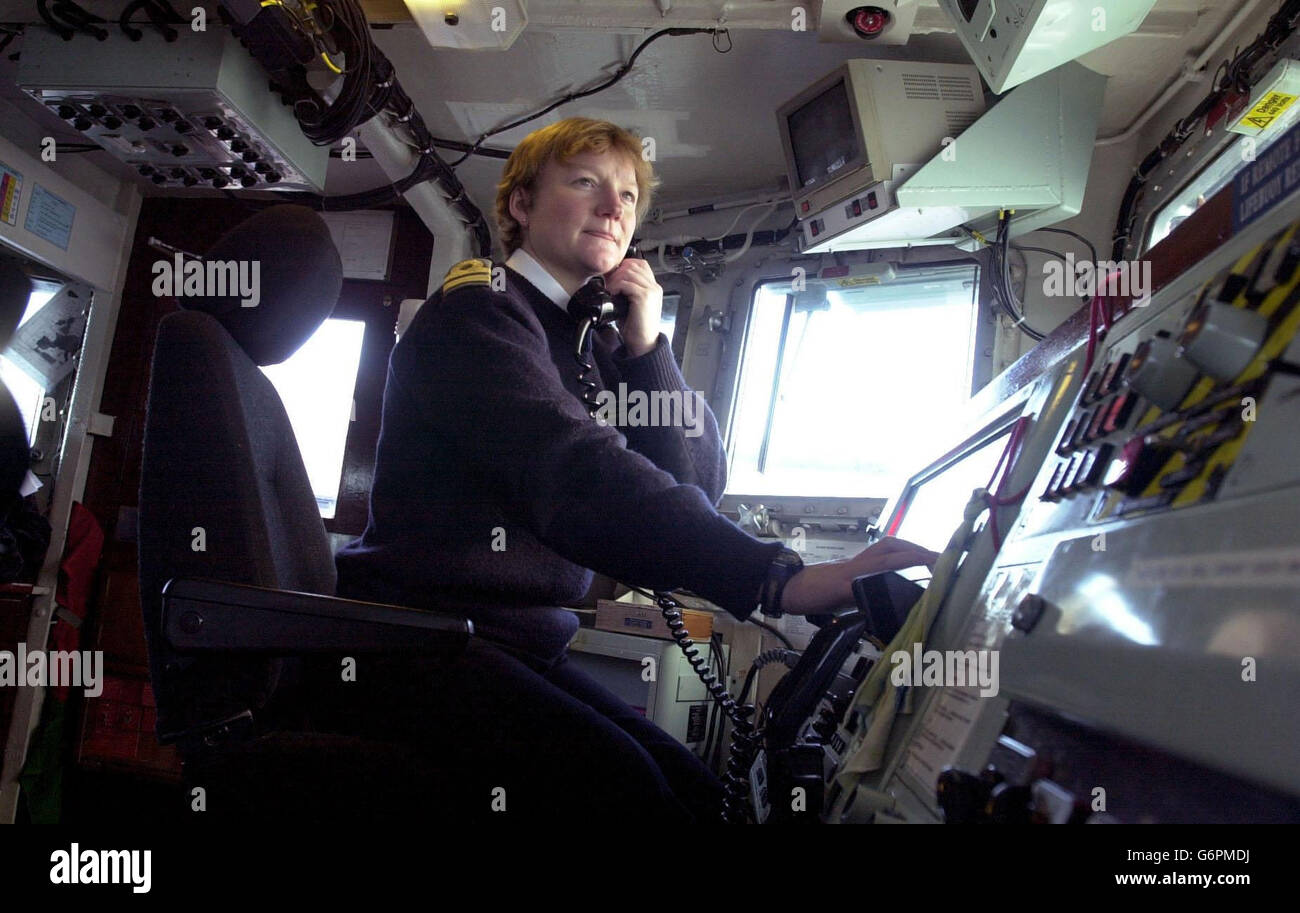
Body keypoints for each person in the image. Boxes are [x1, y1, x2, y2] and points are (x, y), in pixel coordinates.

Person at [329, 117, 937, 822]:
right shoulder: (478, 312)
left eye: (626, 194)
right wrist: (778, 577)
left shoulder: (588, 339)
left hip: (517, 643)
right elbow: (574, 472)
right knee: (637, 797)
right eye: (585, 183)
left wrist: (649, 345)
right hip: (419, 644)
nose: (615, 207)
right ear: (521, 205)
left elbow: (695, 487)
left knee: (698, 793)